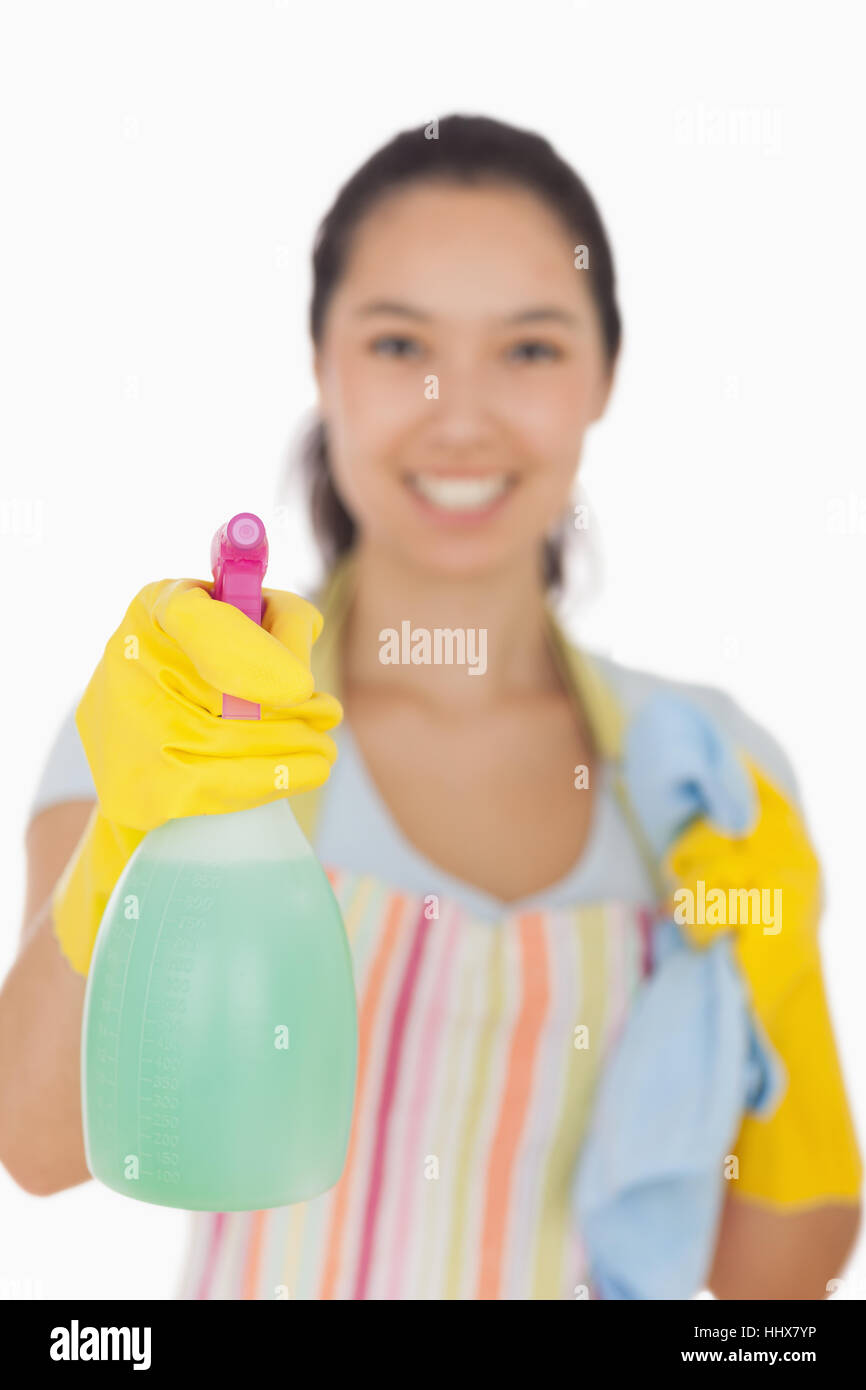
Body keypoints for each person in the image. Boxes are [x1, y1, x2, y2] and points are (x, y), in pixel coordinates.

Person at [1, 114, 860, 1300]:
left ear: (603, 375)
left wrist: (778, 981)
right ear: (322, 363)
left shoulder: (708, 772)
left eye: (529, 349)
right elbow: (38, 1150)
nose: (460, 416)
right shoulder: (189, 715)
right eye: (400, 342)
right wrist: (130, 842)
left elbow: (775, 1281)